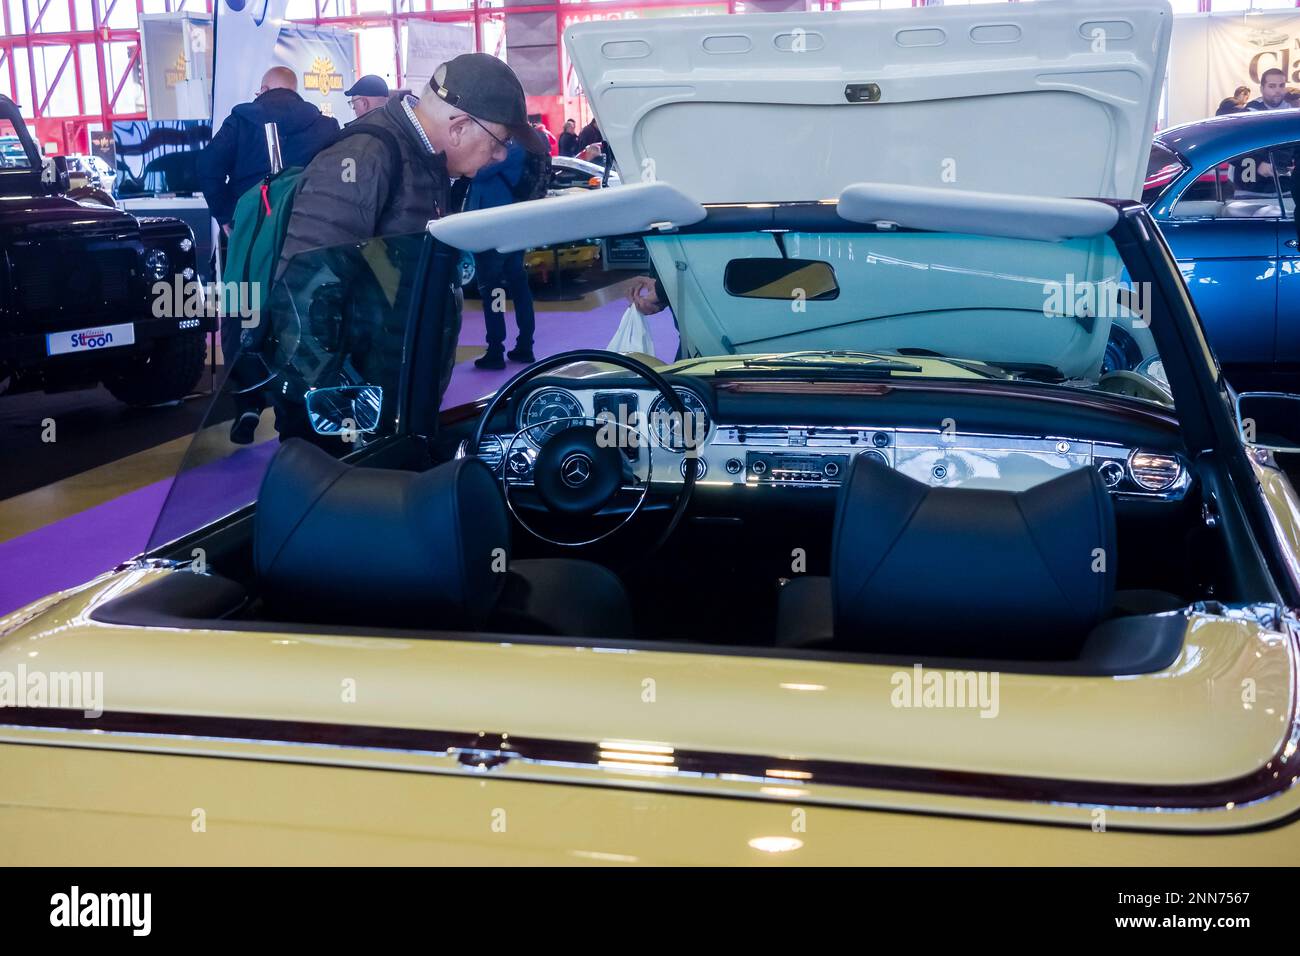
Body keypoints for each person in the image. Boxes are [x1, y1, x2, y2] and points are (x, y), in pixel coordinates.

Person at [270, 54, 544, 438]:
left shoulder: (427, 165)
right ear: (460, 127)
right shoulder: (366, 157)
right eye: (500, 141)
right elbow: (303, 297)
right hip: (350, 422)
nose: (501, 155)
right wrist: (341, 415)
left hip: (394, 402)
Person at [196, 65, 339, 444]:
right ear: (296, 90)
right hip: (306, 238)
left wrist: (229, 217)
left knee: (242, 315)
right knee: (298, 321)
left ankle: (247, 402)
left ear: (264, 89)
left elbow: (207, 167)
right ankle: (292, 415)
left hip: (250, 234)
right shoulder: (326, 126)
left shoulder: (243, 118)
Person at [465, 134, 544, 369]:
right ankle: (524, 344)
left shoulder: (509, 146)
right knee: (518, 286)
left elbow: (476, 172)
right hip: (513, 225)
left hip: (493, 226)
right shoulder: (527, 141)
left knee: (493, 290)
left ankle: (496, 348)